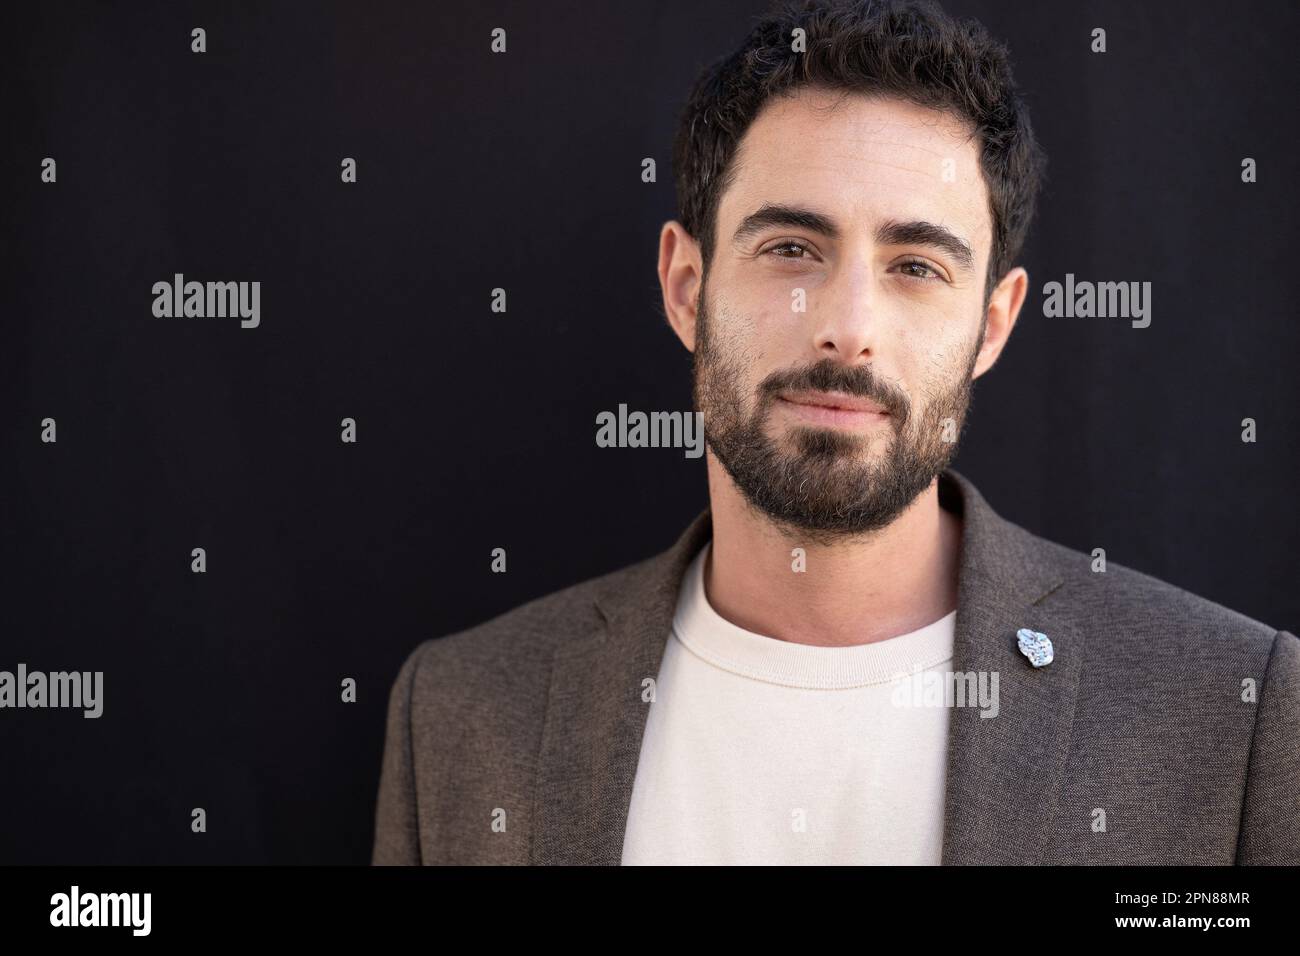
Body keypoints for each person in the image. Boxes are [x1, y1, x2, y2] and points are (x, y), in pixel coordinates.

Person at [372, 0, 1299, 865]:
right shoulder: (459, 713)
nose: (847, 325)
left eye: (917, 265)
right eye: (791, 249)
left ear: (993, 324)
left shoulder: (1234, 713)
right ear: (687, 288)